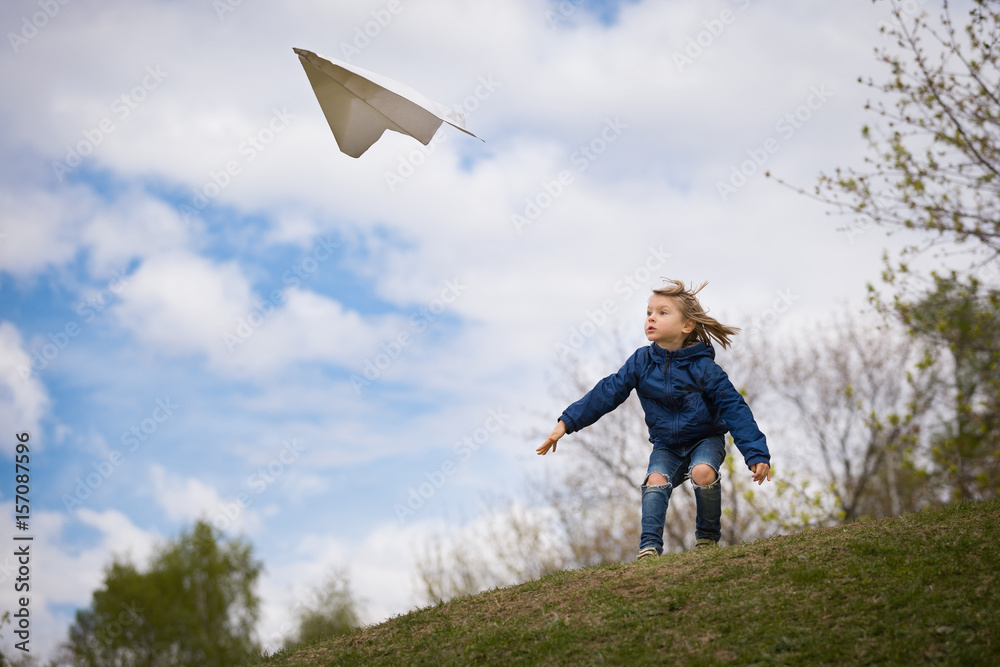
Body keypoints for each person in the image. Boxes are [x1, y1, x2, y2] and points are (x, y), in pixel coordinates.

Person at [537, 279, 771, 560]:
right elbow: (607, 392)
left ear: (686, 326)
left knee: (703, 472)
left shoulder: (704, 368)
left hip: (704, 439)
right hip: (666, 445)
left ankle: (707, 539)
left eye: (662, 312)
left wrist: (756, 453)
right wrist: (566, 423)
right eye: (649, 312)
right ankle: (649, 548)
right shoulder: (641, 362)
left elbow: (734, 407)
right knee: (655, 480)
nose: (651, 317)